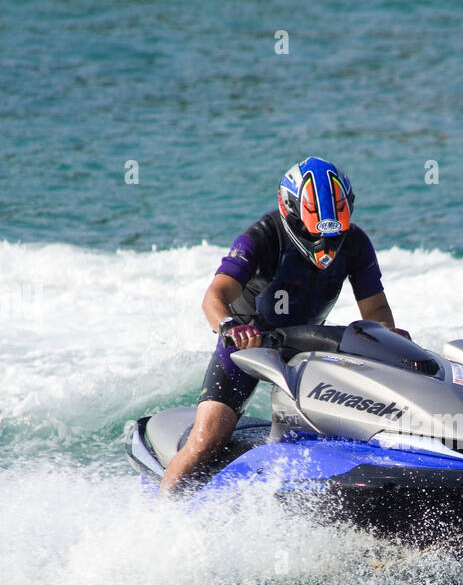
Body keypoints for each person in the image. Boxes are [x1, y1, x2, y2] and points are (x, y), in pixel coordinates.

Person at [159, 157, 407, 495]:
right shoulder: (262, 237)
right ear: (291, 213)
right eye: (316, 233)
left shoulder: (357, 244)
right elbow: (215, 295)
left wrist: (386, 338)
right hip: (247, 346)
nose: (326, 245)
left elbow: (375, 308)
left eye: (333, 235)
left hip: (304, 346)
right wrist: (230, 326)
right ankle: (164, 514)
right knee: (206, 440)